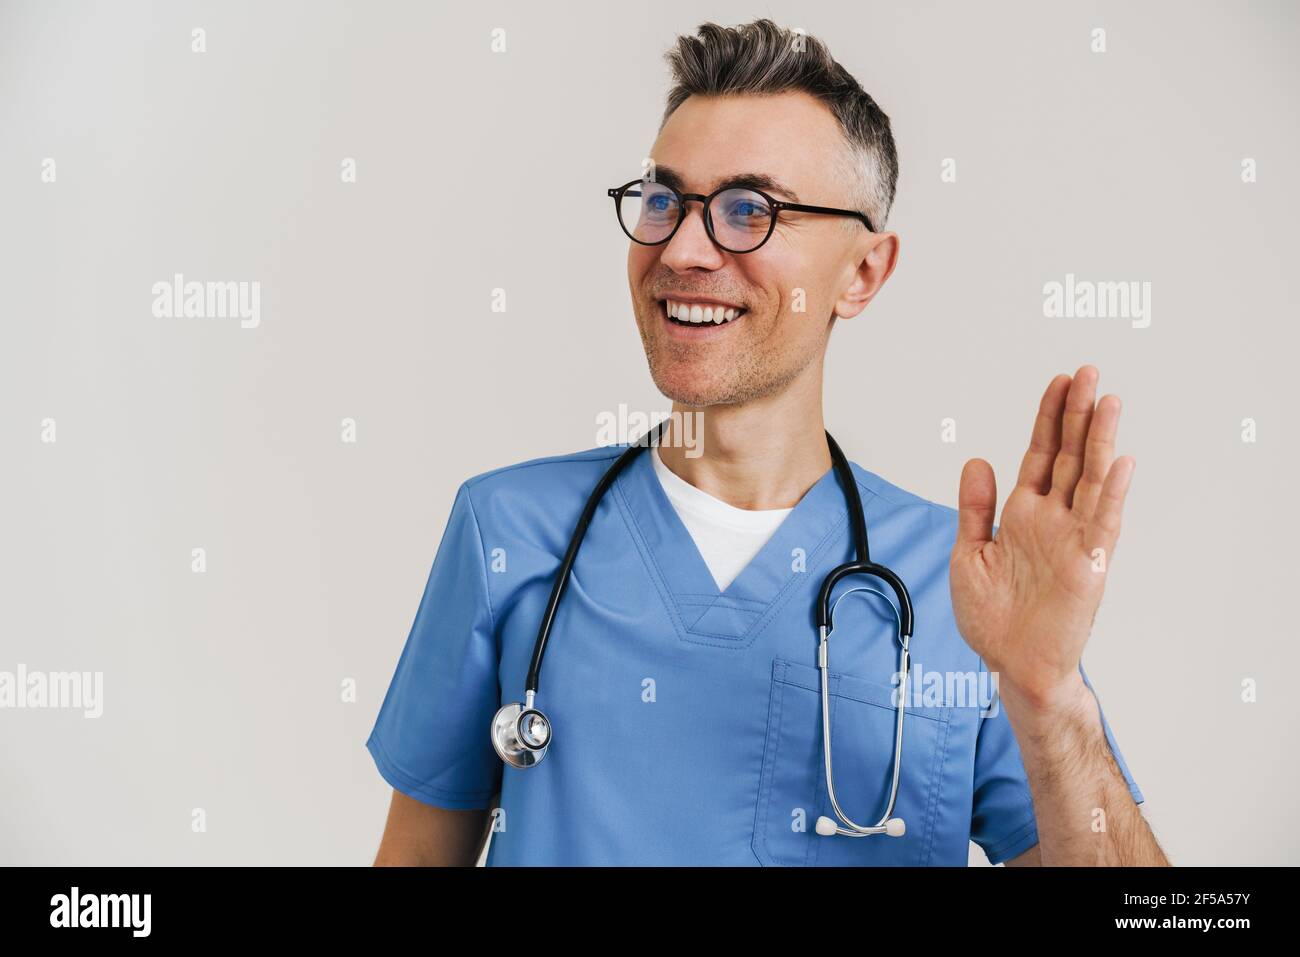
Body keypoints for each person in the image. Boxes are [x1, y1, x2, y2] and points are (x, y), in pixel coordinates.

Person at [367, 18, 1168, 867]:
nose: (681, 247)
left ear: (863, 273)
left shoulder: (960, 586)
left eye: (748, 210)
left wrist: (1049, 697)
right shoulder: (508, 532)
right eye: (665, 200)